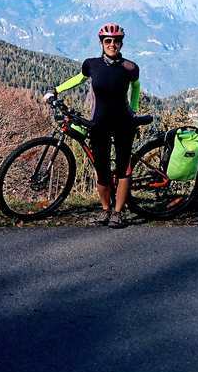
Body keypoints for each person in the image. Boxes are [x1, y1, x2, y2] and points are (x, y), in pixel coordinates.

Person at [44, 23, 141, 228]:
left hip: (123, 122)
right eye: (108, 41)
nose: (112, 44)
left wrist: (134, 109)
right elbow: (79, 79)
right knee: (102, 169)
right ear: (101, 43)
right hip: (100, 124)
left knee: (124, 168)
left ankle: (118, 212)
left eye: (116, 41)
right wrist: (56, 90)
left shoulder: (130, 67)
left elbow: (136, 87)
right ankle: (105, 210)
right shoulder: (91, 64)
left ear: (121, 43)